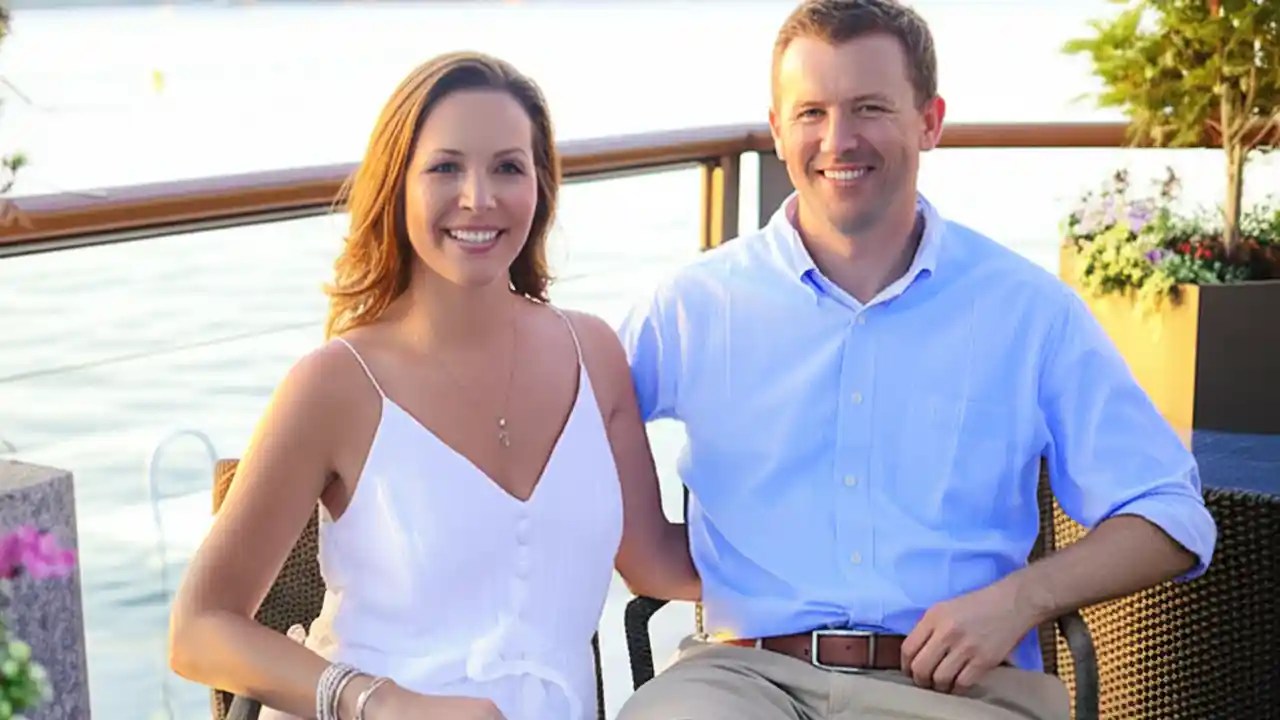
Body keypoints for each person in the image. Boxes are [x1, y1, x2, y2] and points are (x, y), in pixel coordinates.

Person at [615, 1, 1217, 719]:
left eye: (869, 107)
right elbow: (559, 438)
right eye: (810, 112)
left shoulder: (1027, 311)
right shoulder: (691, 305)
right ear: (777, 130)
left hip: (955, 688)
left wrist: (1018, 599)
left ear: (929, 121)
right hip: (740, 681)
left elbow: (1172, 516)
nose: (838, 140)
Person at [168, 51, 699, 720]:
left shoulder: (593, 353)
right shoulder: (335, 384)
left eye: (508, 167)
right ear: (397, 186)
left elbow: (654, 562)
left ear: (541, 187)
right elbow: (198, 629)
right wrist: (380, 703)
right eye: (446, 167)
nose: (479, 197)